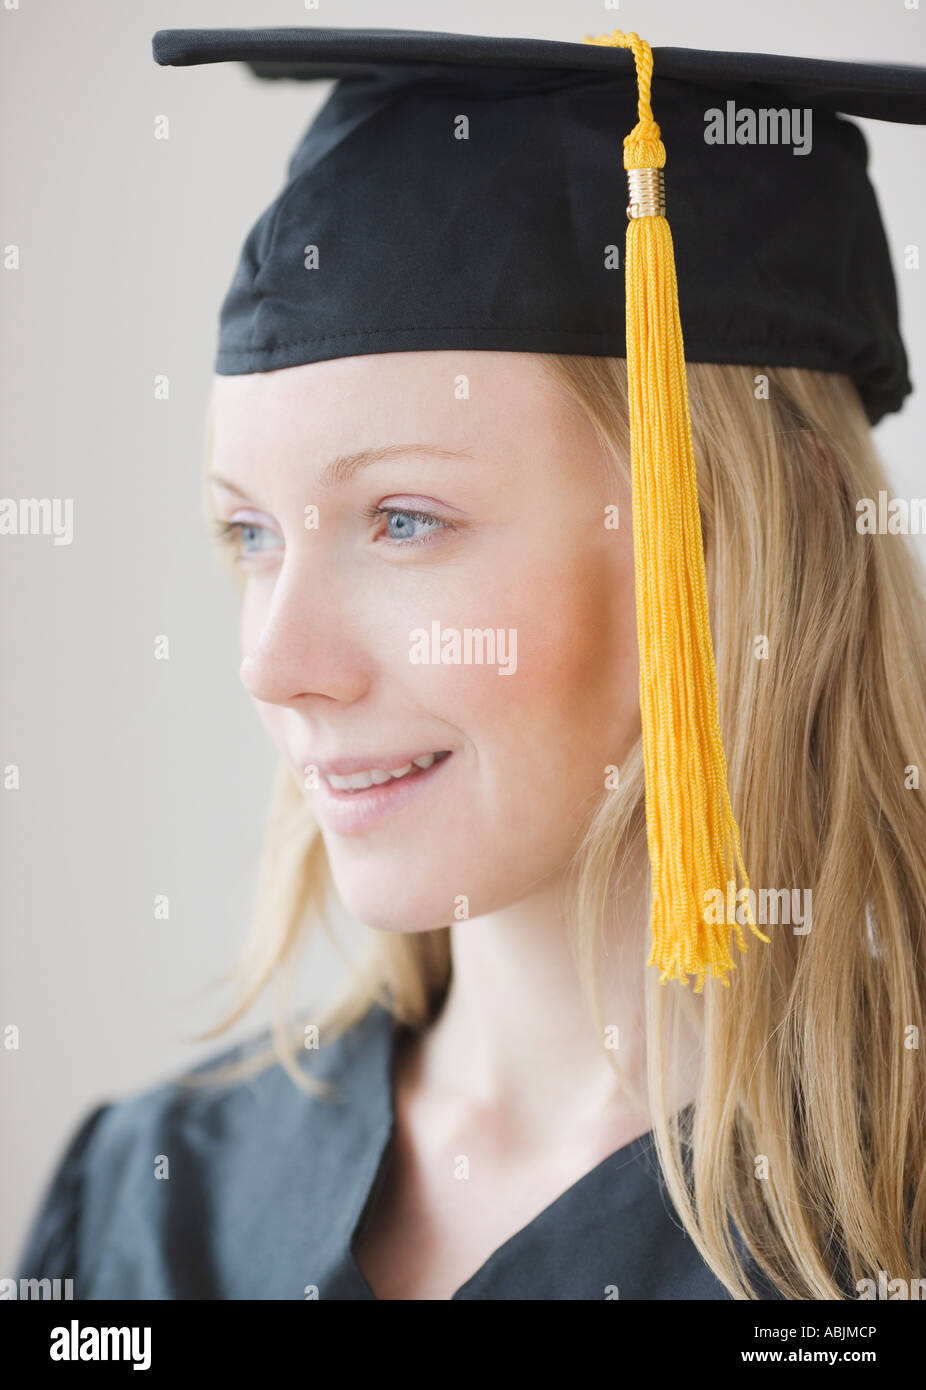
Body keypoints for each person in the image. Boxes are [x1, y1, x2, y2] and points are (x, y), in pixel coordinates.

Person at [15, 25, 926, 1300]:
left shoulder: (889, 1231)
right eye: (250, 532)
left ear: (728, 541)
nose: (274, 665)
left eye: (403, 520)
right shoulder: (152, 1202)